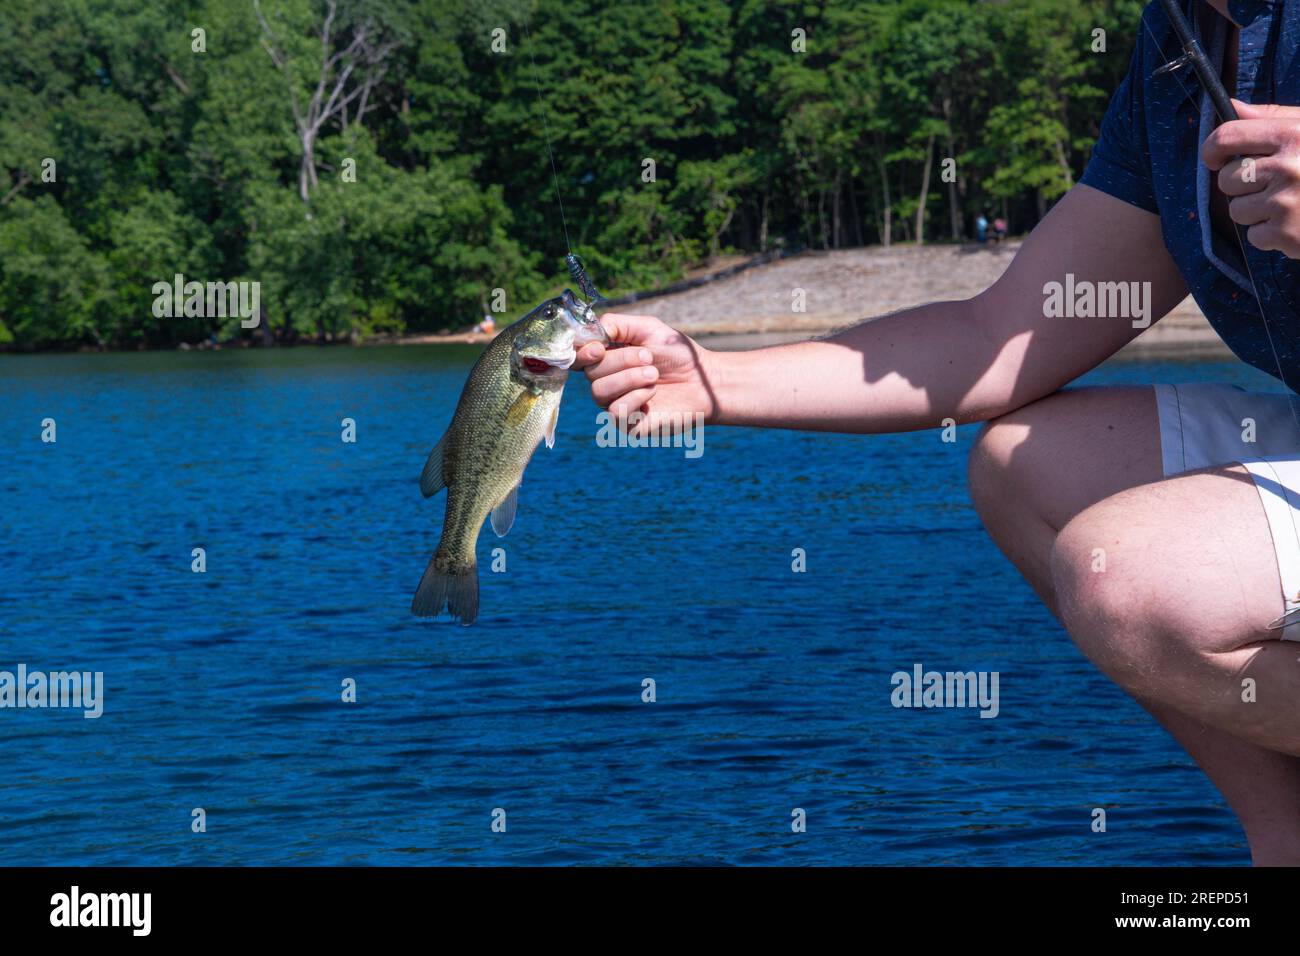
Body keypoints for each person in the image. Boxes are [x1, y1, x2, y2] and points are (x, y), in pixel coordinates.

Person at [575, 0, 1300, 865]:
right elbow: (1000, 335)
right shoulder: (1175, 45)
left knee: (1140, 580)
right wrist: (714, 377)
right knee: (1027, 467)